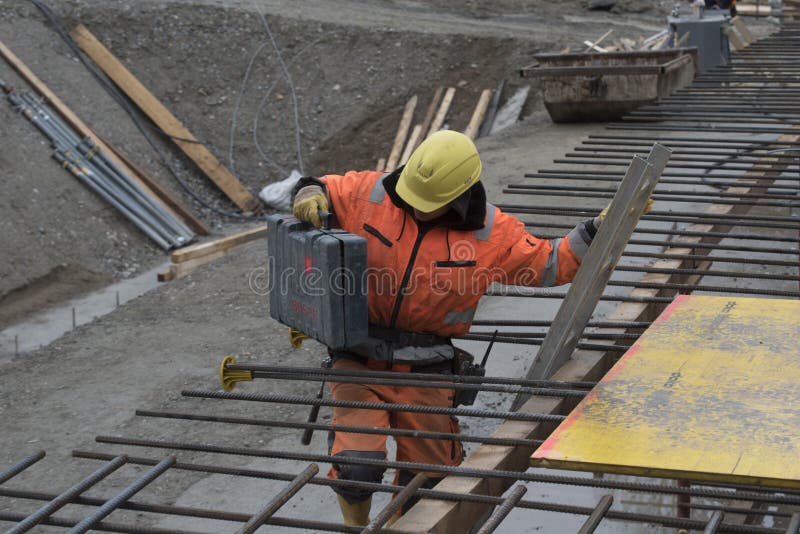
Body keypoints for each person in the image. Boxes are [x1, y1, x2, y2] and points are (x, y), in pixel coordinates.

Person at [291, 130, 611, 526]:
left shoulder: (490, 233)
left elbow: (551, 264)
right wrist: (307, 194)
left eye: (427, 205)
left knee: (428, 483)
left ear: (460, 194)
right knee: (357, 467)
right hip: (357, 358)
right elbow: (320, 187)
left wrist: (596, 230)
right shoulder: (372, 193)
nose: (415, 208)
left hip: (428, 368)